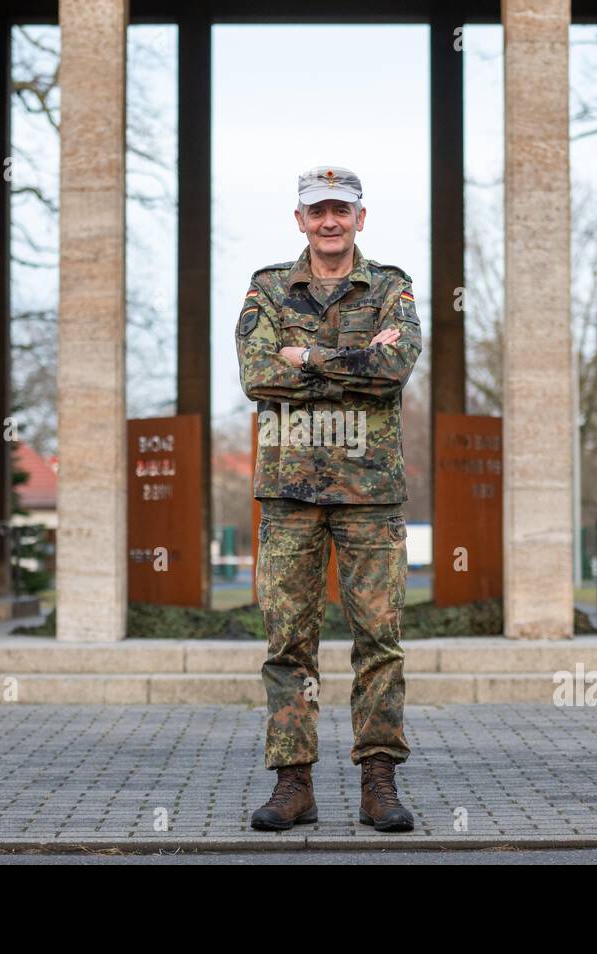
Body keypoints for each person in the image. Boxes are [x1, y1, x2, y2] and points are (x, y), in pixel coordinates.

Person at [234, 165, 422, 832]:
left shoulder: (393, 287)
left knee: (380, 640)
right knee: (289, 644)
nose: (330, 221)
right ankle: (294, 785)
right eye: (318, 211)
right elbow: (257, 375)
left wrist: (304, 358)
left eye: (342, 209)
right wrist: (351, 361)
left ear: (360, 218)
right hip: (289, 494)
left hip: (370, 492)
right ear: (301, 221)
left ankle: (379, 781)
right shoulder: (265, 288)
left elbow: (394, 369)